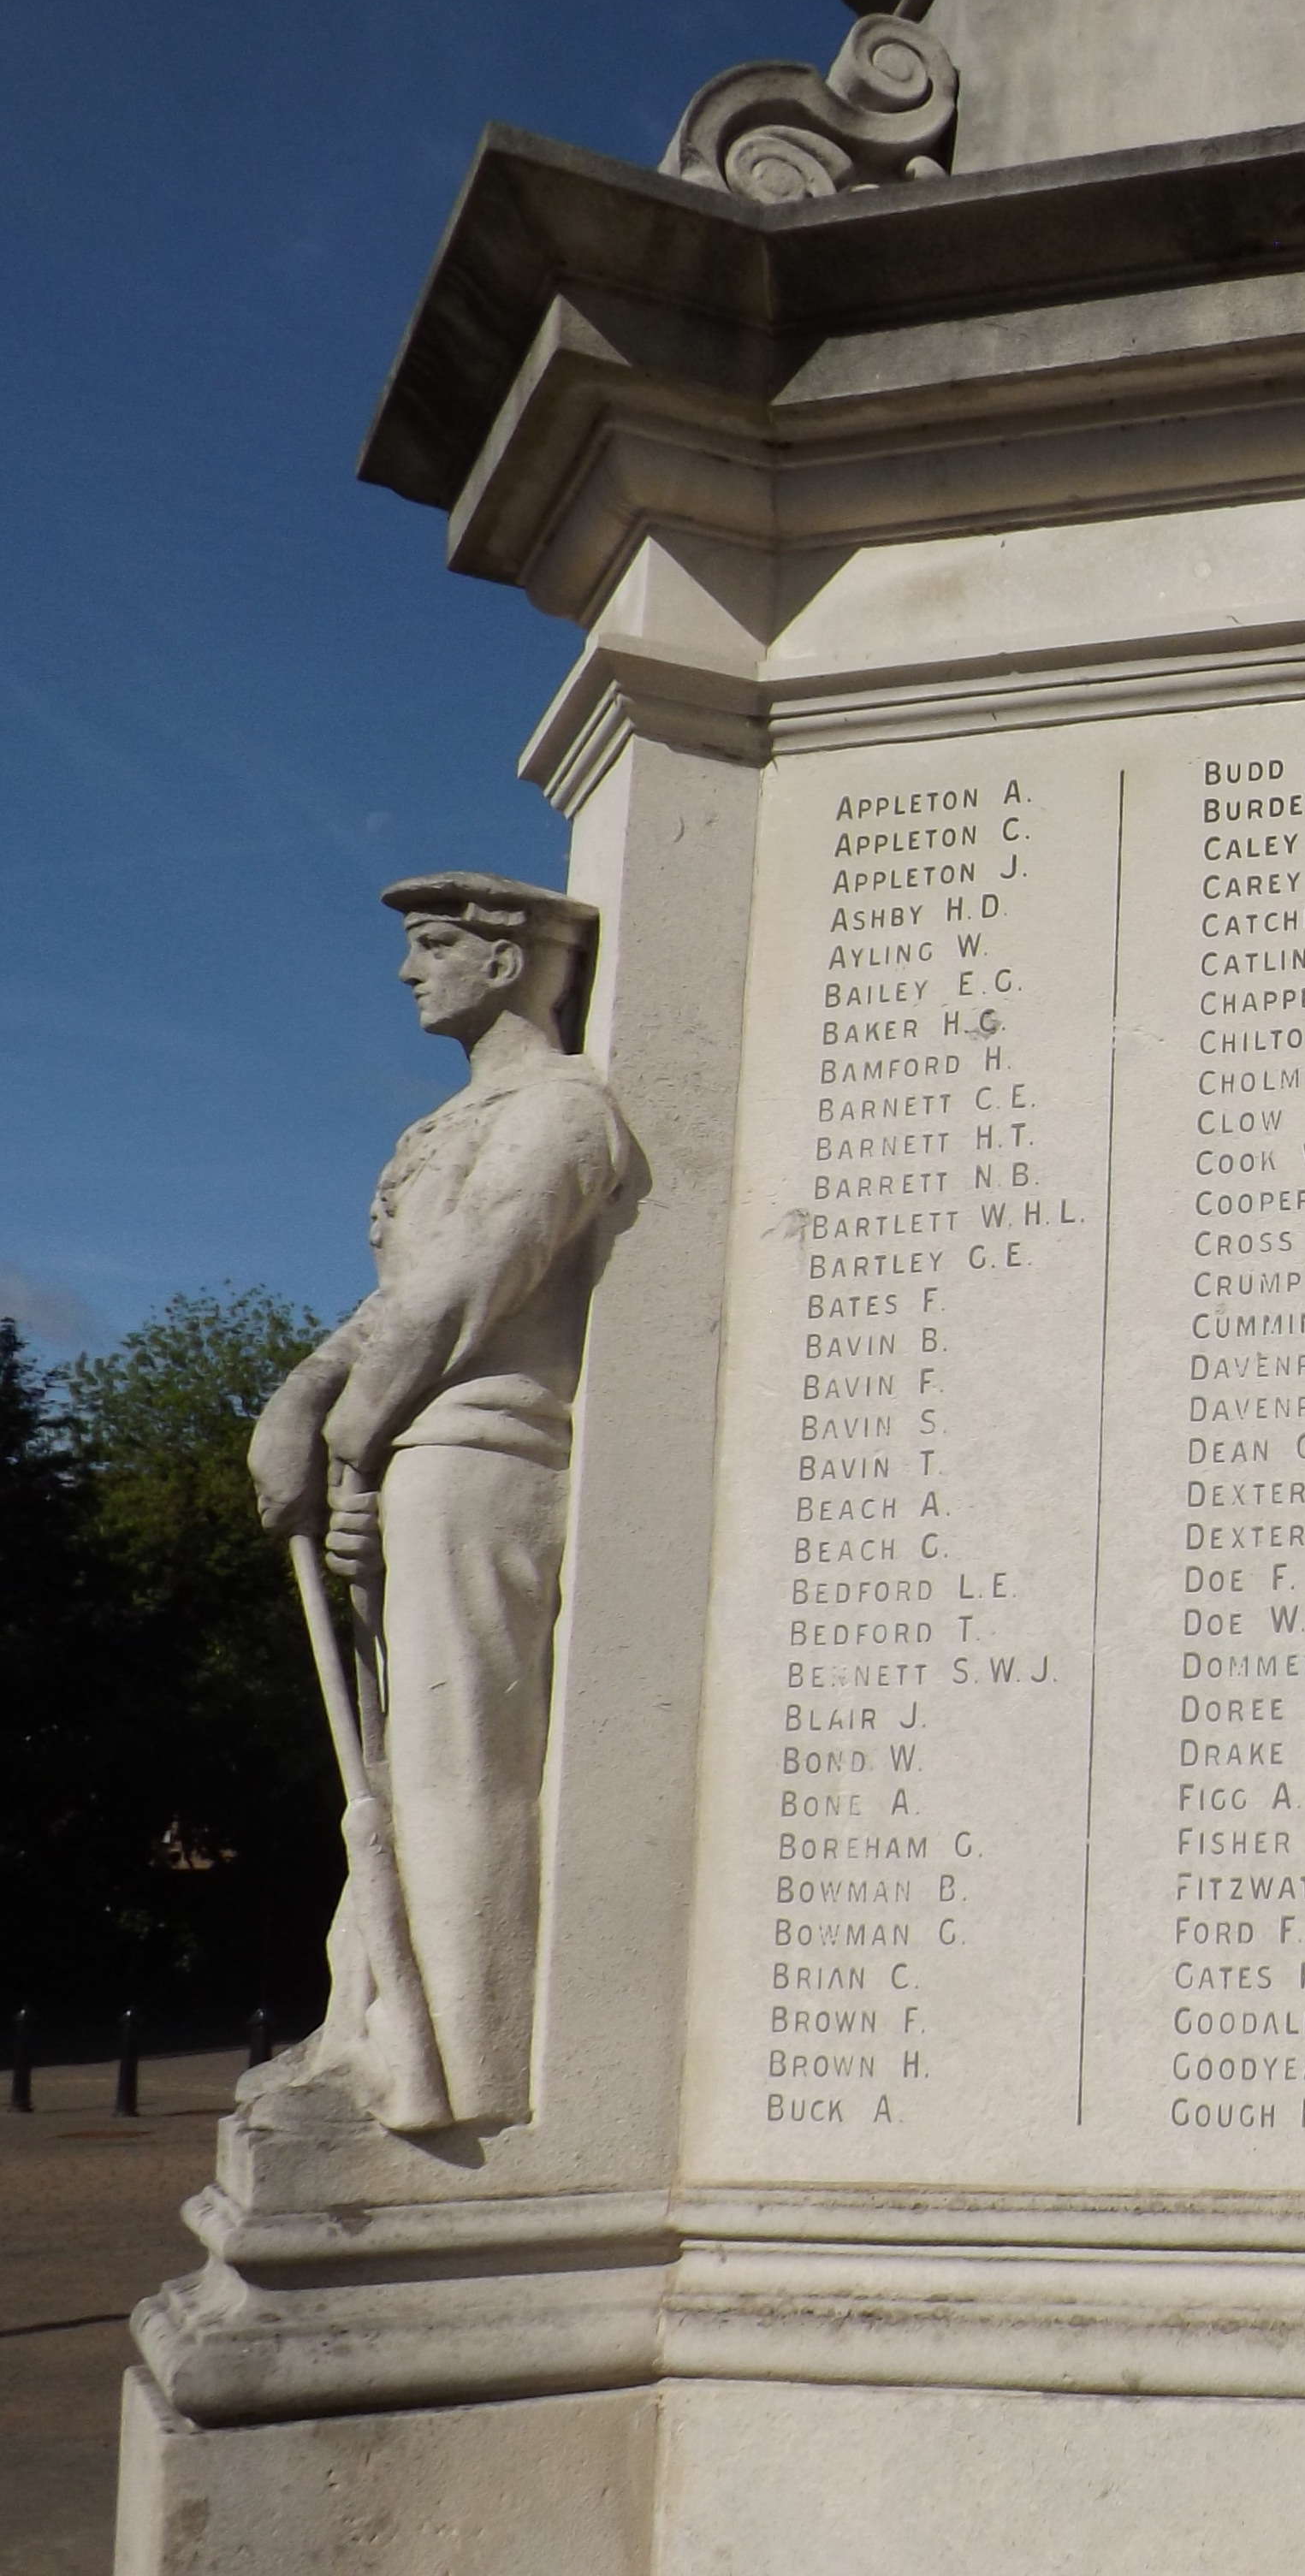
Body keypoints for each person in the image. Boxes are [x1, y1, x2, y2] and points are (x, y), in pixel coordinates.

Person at [247, 873, 632, 2129]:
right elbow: (397, 1299)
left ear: (512, 962)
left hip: (479, 1454)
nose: (410, 973)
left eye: (433, 946)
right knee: (401, 1764)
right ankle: (381, 2033)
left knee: (461, 1761)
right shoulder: (447, 1125)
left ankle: (462, 2066)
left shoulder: (562, 1113)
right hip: (411, 1453)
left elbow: (469, 1284)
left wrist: (349, 1443)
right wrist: (302, 1398)